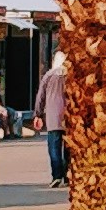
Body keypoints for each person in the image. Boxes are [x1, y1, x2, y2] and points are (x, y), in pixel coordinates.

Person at [37, 54, 69, 186]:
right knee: (69, 148)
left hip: (52, 117)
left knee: (54, 148)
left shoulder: (49, 76)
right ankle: (68, 175)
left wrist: (37, 114)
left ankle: (57, 175)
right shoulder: (70, 76)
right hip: (69, 116)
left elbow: (41, 96)